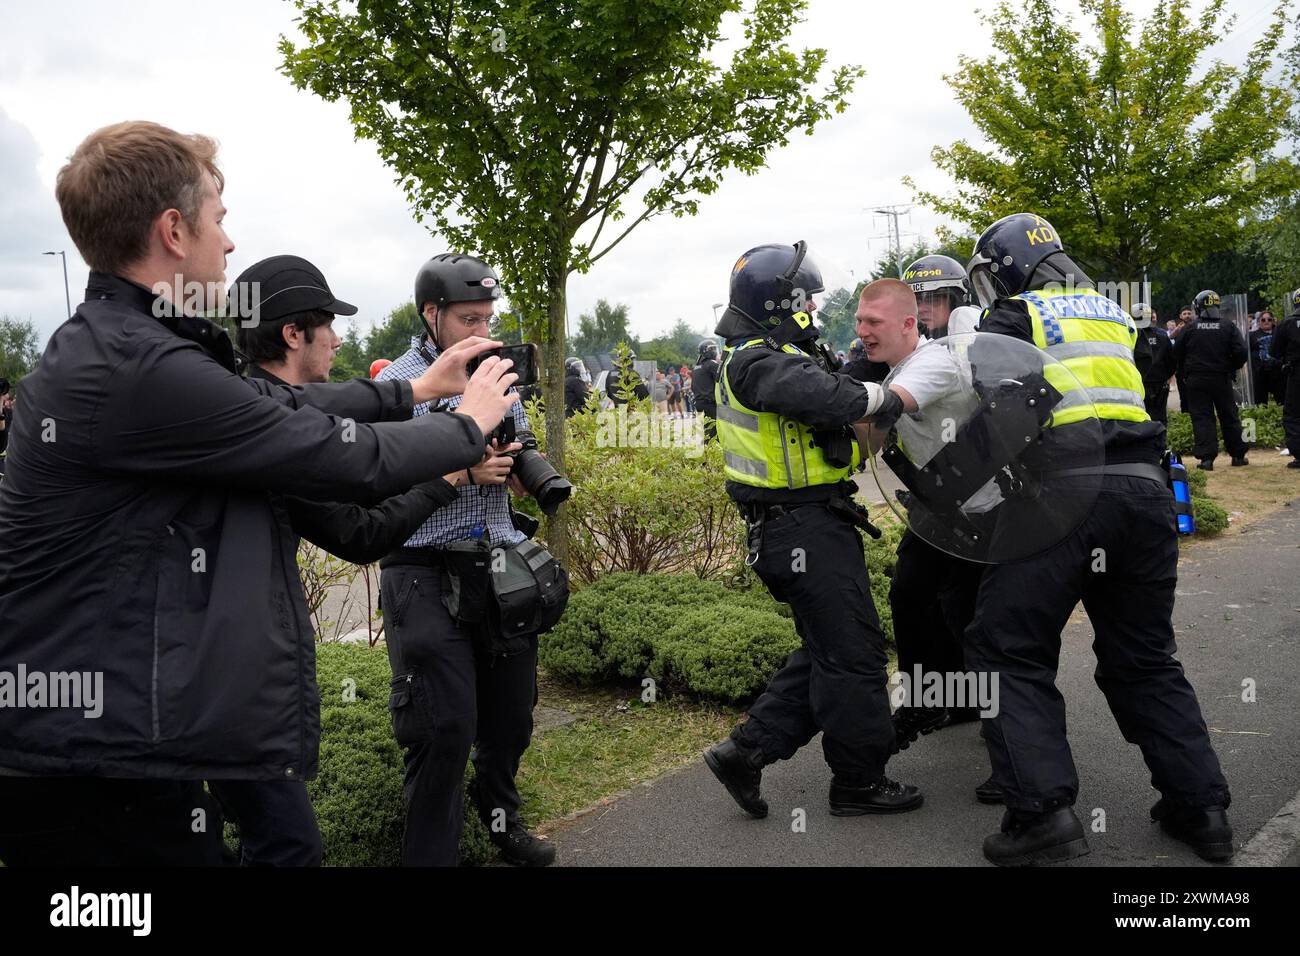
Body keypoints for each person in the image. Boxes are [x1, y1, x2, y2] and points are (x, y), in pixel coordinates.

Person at [0, 121, 515, 867]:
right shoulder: (136, 364)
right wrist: (467, 429)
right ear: (173, 230)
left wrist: (414, 391)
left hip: (109, 741)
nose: (230, 243)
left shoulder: (133, 344)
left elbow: (281, 411)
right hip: (88, 763)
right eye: (220, 217)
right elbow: (332, 455)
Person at [964, 213, 1232, 866]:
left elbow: (1004, 421)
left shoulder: (1013, 317)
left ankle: (1040, 815)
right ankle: (1201, 810)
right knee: (1144, 656)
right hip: (1142, 493)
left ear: (1003, 271)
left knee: (1006, 647)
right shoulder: (1113, 315)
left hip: (1061, 495)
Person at [211, 254, 493, 866]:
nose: (340, 338)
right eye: (329, 324)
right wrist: (451, 467)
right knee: (287, 846)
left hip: (217, 678)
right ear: (293, 333)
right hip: (236, 680)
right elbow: (362, 529)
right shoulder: (267, 432)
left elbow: (324, 411)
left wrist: (418, 392)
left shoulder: (246, 403)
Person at [702, 242, 922, 819]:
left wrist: (885, 352)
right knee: (854, 657)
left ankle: (745, 753)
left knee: (830, 650)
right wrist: (893, 396)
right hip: (800, 531)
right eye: (810, 302)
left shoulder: (774, 356)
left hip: (805, 527)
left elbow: (833, 384)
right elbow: (833, 397)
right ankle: (858, 781)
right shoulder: (756, 361)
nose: (817, 313)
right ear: (783, 302)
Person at [376, 252, 566, 867]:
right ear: (430, 315)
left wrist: (515, 473)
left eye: (488, 317)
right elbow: (378, 489)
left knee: (511, 717)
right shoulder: (397, 386)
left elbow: (517, 447)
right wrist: (461, 466)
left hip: (499, 567)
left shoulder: (499, 374)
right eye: (467, 319)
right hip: (424, 571)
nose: (482, 332)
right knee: (443, 728)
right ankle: (433, 857)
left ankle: (502, 823)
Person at [853, 279, 990, 774]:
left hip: (983, 510)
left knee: (971, 614)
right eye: (860, 321)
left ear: (909, 325)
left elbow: (887, 412)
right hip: (945, 507)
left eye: (874, 323)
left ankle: (998, 733)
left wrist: (827, 403)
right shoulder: (900, 366)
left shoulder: (931, 363)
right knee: (918, 595)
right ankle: (951, 699)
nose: (862, 331)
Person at [1174, 290, 1249, 470]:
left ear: (1199, 307)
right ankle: (1238, 455)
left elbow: (1176, 353)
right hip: (1221, 378)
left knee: (1202, 417)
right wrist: (1231, 367)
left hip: (1197, 379)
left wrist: (1185, 371)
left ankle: (1206, 459)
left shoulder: (1189, 328)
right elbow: (1241, 352)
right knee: (1230, 416)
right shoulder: (1228, 326)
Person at [903, 253, 982, 339]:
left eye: (933, 300)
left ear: (956, 302)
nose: (921, 309)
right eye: (916, 303)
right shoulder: (900, 347)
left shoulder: (976, 340)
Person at [1133, 303, 1174, 425]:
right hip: (1160, 383)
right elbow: (1172, 359)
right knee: (1160, 416)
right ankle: (1161, 442)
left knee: (1140, 417)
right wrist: (1166, 378)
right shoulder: (1162, 335)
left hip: (1138, 383)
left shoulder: (1130, 334)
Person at [1274, 287, 1300, 468]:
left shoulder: (1287, 323)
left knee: (1293, 414)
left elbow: (1274, 351)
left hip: (1296, 373)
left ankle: (1299, 454)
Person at [1250, 311, 1285, 406]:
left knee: (1283, 401)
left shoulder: (1280, 333)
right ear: (1259, 322)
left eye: (1269, 319)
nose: (1266, 321)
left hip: (1278, 373)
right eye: (1263, 319)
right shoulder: (1252, 335)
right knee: (1260, 404)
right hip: (1260, 373)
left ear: (1273, 321)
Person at [692, 340, 720, 440]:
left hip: (699, 403)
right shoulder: (711, 365)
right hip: (710, 404)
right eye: (714, 349)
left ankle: (708, 452)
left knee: (706, 431)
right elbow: (721, 380)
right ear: (708, 351)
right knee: (715, 432)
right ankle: (714, 453)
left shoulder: (696, 367)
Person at [1170, 307, 1194, 412]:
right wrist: (1178, 329)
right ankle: (1185, 414)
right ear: (1180, 316)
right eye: (1184, 314)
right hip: (1182, 365)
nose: (1187, 315)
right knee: (1183, 395)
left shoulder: (1196, 326)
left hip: (1194, 365)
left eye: (1189, 313)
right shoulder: (1179, 328)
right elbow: (1170, 337)